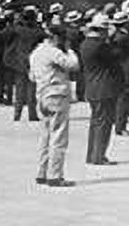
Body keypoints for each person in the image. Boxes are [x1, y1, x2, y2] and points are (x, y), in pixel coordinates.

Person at [30, 23, 79, 188]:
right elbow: (73, 65)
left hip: (41, 95)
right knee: (58, 136)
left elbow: (31, 76)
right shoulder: (54, 52)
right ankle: (55, 175)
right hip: (57, 95)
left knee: (45, 136)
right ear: (57, 38)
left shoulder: (36, 52)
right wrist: (70, 50)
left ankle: (41, 172)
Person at [81, 14, 122, 165]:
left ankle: (92, 154)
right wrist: (111, 39)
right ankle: (99, 156)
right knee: (104, 124)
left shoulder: (85, 43)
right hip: (104, 88)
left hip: (92, 87)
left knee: (95, 123)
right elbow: (117, 54)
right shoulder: (100, 46)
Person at [5, 6, 44, 121]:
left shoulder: (17, 29)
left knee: (19, 91)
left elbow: (5, 35)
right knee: (32, 91)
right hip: (33, 62)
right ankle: (32, 115)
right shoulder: (38, 32)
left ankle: (17, 115)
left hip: (19, 62)